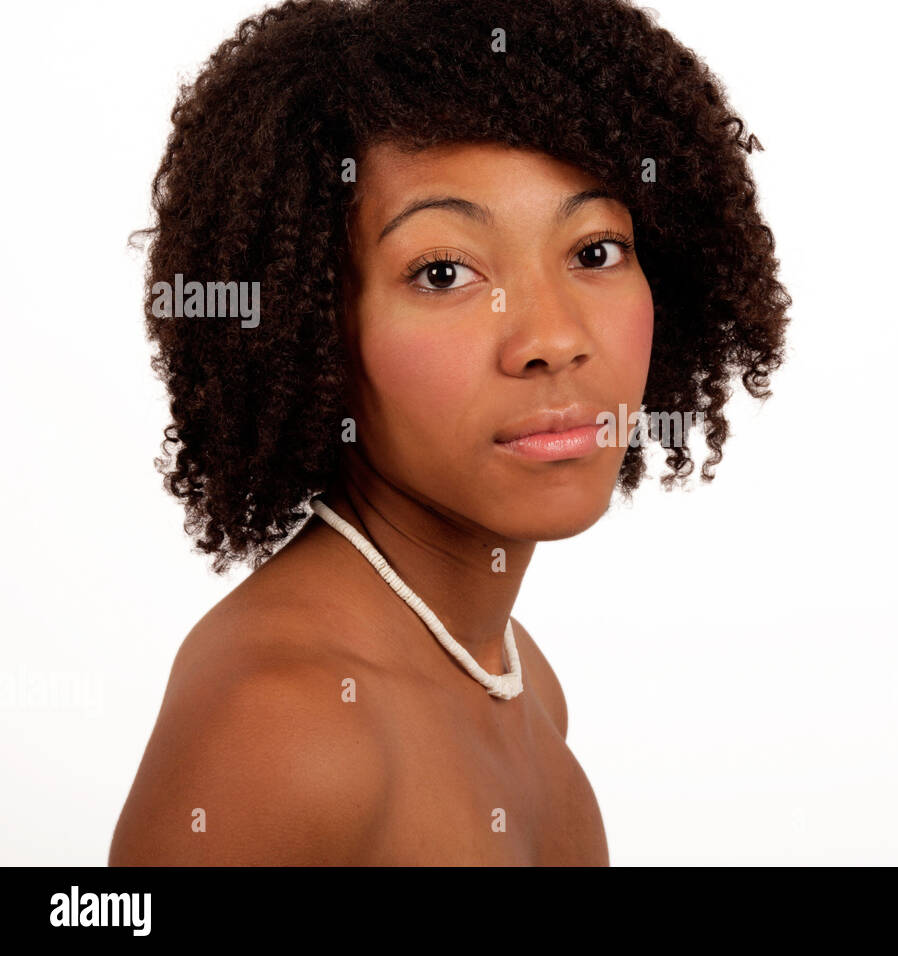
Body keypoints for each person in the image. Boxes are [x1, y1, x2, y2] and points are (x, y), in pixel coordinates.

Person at [110, 0, 790, 865]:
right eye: (443, 272)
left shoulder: (519, 677)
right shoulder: (284, 724)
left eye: (594, 251)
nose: (551, 338)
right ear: (308, 323)